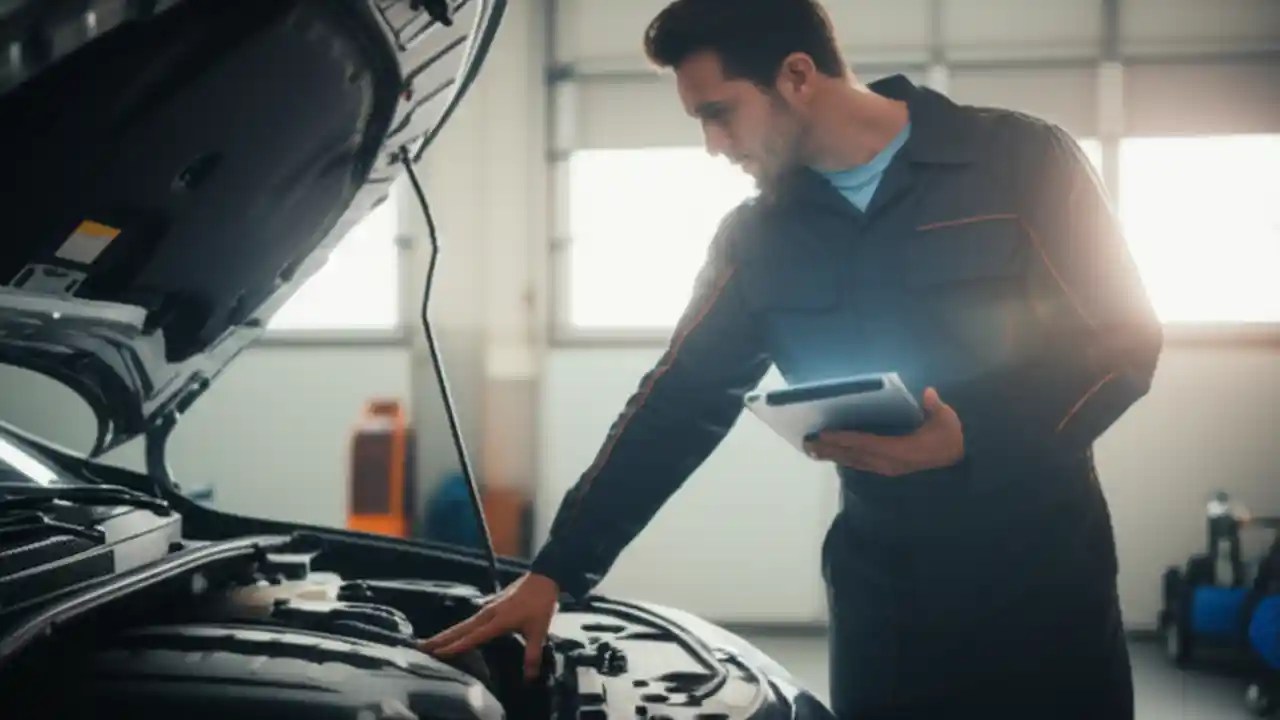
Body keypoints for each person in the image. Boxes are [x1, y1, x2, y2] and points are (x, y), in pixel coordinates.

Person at [420, 1, 1163, 717]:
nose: (714, 144)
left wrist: (970, 434)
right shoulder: (756, 240)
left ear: (798, 75)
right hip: (889, 611)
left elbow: (1123, 343)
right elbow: (679, 402)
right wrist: (556, 570)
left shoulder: (1021, 161)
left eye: (719, 112)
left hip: (1041, 591)